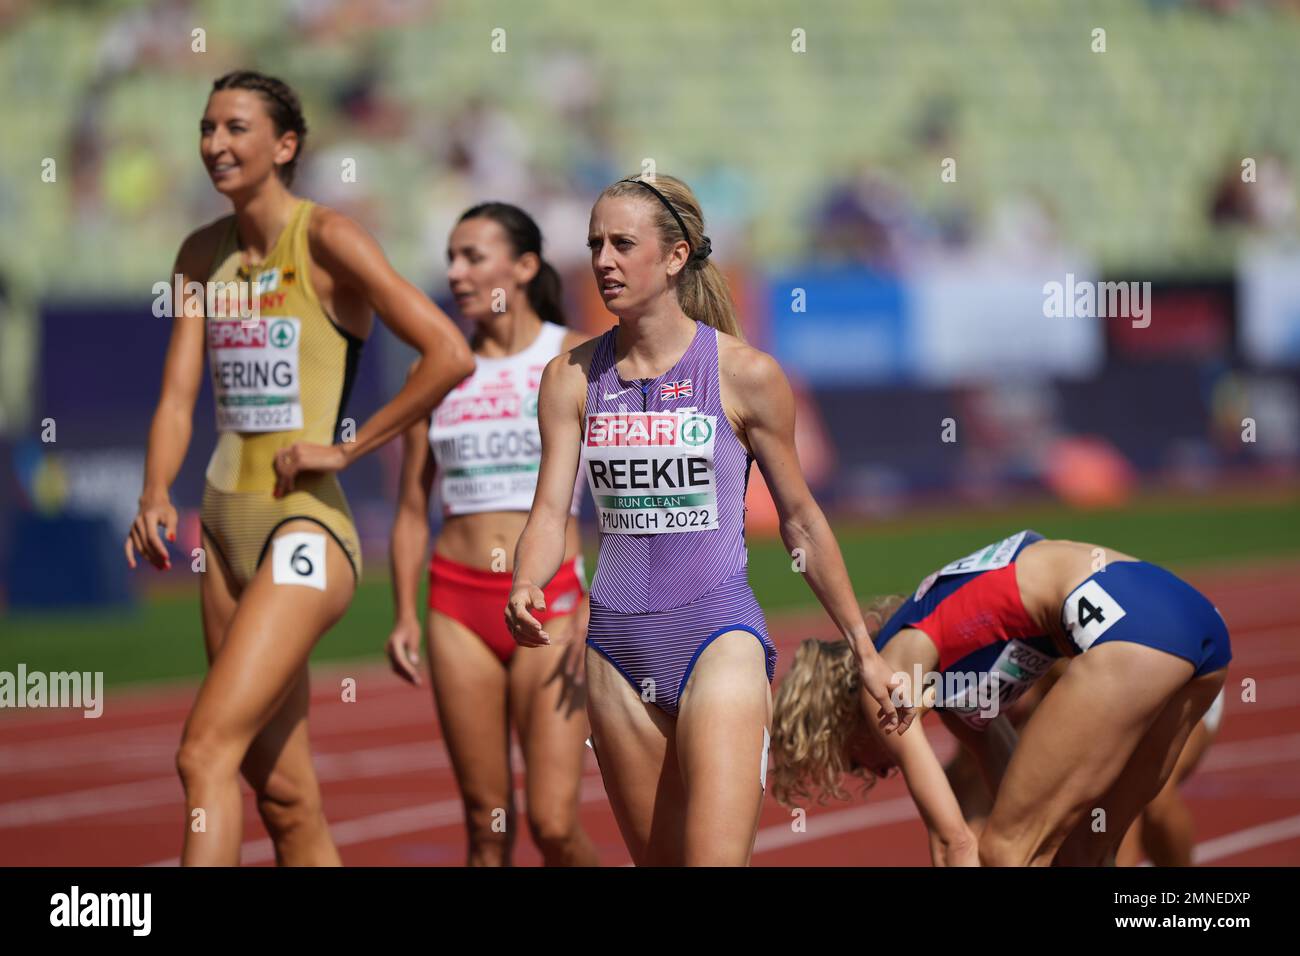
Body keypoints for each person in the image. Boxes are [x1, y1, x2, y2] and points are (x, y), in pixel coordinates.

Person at [505, 174, 908, 866]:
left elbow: (802, 523)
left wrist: (865, 654)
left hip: (716, 640)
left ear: (675, 256)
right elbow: (550, 509)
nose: (602, 260)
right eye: (595, 243)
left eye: (622, 244)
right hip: (614, 652)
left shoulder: (745, 375)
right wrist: (523, 583)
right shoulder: (569, 378)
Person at [124, 70, 473, 866]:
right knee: (282, 798)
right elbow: (178, 398)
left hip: (305, 528)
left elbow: (447, 354)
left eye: (236, 128)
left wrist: (348, 447)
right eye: (207, 128)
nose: (215, 143)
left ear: (284, 146)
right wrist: (152, 493)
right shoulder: (198, 254)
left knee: (202, 751)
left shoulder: (327, 239)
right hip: (222, 528)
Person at [770, 530, 1230, 866]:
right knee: (1084, 852)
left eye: (853, 762)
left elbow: (958, 843)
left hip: (1129, 631)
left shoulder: (887, 678)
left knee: (1006, 849)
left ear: (835, 720)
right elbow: (1013, 784)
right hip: (1195, 625)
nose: (875, 771)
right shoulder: (946, 681)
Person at [385, 202, 597, 866]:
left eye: (473, 256)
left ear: (525, 267)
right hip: (457, 604)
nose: (455, 272)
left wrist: (604, 591)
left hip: (553, 600)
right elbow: (413, 509)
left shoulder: (575, 357)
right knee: (486, 826)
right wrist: (402, 614)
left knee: (555, 824)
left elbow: (625, 488)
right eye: (451, 257)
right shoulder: (436, 370)